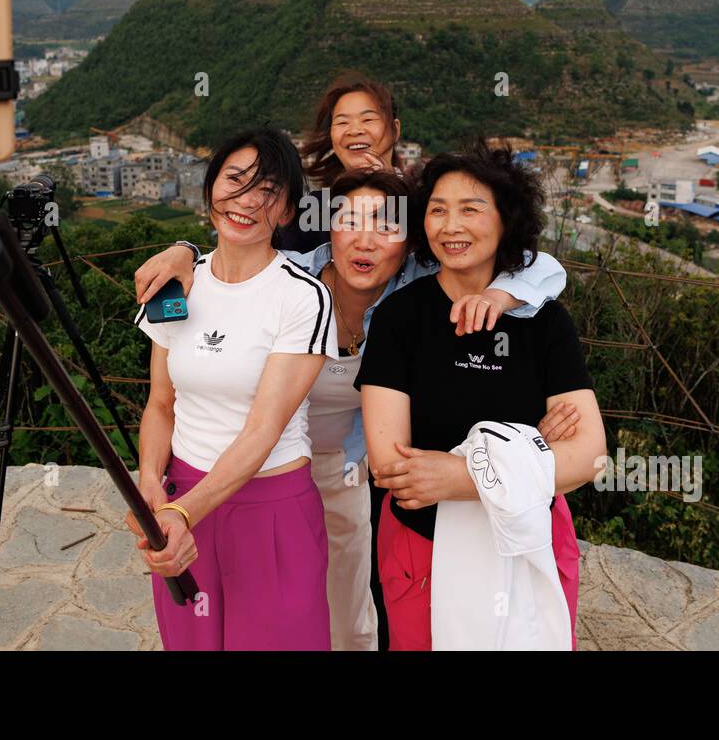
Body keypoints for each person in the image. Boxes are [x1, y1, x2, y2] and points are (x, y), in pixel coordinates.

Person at [134, 167, 576, 649]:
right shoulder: (291, 280)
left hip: (348, 469)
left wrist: (499, 294)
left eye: (387, 226)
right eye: (349, 221)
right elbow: (233, 256)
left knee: (348, 613)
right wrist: (186, 249)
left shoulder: (415, 293)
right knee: (248, 605)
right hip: (259, 463)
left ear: (410, 245)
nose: (365, 241)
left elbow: (544, 267)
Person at [355, 141, 606, 651]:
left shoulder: (544, 323)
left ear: (506, 220)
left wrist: (461, 473)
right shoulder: (401, 319)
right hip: (421, 544)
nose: (452, 226)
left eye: (471, 209)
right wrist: (530, 447)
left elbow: (588, 456)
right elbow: (392, 467)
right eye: (438, 210)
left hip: (528, 539)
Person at [127, 127, 338, 651]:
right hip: (182, 498)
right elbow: (160, 404)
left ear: (288, 211)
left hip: (271, 509)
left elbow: (263, 430)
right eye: (235, 181)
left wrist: (180, 512)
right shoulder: (177, 285)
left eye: (268, 192)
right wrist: (152, 481)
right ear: (210, 187)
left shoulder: (302, 298)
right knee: (190, 642)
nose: (246, 202)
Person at [280, 71, 402, 253]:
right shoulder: (315, 208)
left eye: (368, 119)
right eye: (342, 122)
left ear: (395, 129)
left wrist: (394, 193)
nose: (354, 130)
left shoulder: (425, 199)